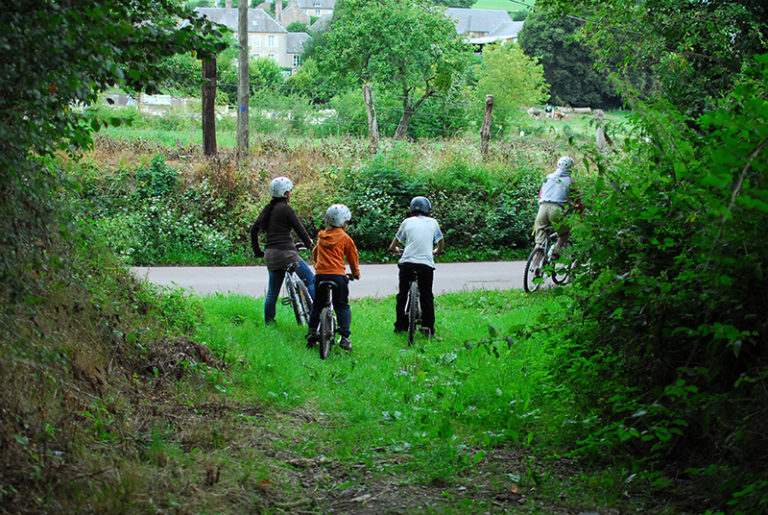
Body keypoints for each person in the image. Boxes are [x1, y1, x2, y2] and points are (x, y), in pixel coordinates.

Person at [250, 176, 315, 325]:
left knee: (273, 292)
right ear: (285, 193)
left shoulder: (268, 209)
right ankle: (317, 315)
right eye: (290, 191)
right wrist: (310, 245)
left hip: (271, 256)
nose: (291, 193)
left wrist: (258, 251)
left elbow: (253, 230)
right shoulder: (285, 208)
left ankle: (269, 322)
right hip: (286, 254)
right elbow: (300, 230)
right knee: (310, 280)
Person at [387, 196, 444, 337]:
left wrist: (394, 249)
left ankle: (400, 325)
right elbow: (441, 241)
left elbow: (395, 242)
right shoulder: (433, 223)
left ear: (411, 209)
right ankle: (428, 327)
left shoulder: (406, 222)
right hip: (426, 265)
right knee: (426, 295)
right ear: (427, 209)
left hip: (407, 263)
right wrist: (438, 251)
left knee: (402, 294)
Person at [306, 204, 360, 351]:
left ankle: (311, 332)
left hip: (320, 275)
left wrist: (318, 266)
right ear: (343, 223)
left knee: (317, 304)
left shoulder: (321, 237)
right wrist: (355, 273)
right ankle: (345, 338)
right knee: (341, 305)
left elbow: (315, 253)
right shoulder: (345, 238)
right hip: (338, 276)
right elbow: (353, 257)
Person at [533, 156, 582, 257]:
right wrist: (580, 213)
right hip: (556, 210)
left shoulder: (548, 177)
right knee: (564, 234)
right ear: (571, 168)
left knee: (539, 241)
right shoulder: (570, 181)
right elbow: (577, 201)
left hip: (542, 208)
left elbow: (541, 195)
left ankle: (534, 266)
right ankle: (555, 250)